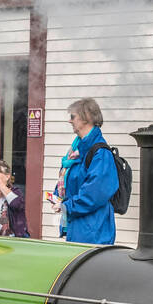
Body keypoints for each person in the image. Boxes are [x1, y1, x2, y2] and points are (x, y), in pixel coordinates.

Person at [59, 98, 117, 245]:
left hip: (93, 231)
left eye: (73, 117)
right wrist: (58, 199)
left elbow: (93, 195)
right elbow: (69, 180)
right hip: (78, 228)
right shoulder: (76, 150)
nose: (69, 121)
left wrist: (66, 206)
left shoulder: (101, 153)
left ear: (86, 118)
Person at [0, 160, 29, 237]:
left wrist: (1, 185)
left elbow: (16, 204)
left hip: (10, 239)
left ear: (7, 177)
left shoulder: (15, 192)